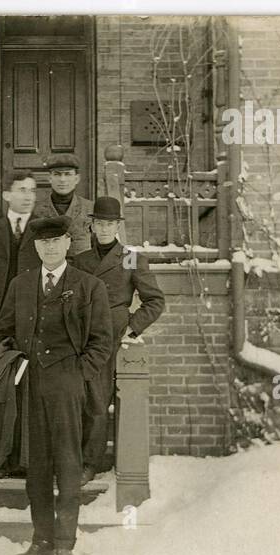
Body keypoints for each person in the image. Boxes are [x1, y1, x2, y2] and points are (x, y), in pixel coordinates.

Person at [0, 216, 112, 555]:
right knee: (37, 468)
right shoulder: (21, 285)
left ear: (68, 244)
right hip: (31, 387)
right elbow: (3, 332)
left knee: (68, 464)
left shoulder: (89, 287)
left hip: (69, 388)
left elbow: (103, 342)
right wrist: (14, 364)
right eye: (43, 243)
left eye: (56, 241)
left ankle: (64, 544)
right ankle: (41, 541)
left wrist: (78, 375)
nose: (50, 248)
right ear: (35, 247)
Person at [72, 195, 166, 481]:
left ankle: (90, 463)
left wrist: (131, 328)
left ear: (117, 227)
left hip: (110, 337)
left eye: (110, 223)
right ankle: (71, 458)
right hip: (80, 336)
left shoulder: (131, 258)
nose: (104, 229)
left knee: (98, 400)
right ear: (92, 226)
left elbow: (155, 301)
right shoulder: (80, 260)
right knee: (75, 397)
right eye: (99, 223)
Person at [0, 171, 40, 323]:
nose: (28, 197)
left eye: (32, 191)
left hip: (34, 315)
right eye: (22, 190)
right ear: (6, 195)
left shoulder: (43, 230)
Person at [33, 154, 94, 256]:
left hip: (81, 269)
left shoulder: (90, 208)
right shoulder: (37, 210)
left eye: (68, 174)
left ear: (77, 178)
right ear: (50, 178)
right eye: (57, 174)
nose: (62, 179)